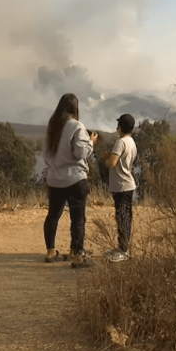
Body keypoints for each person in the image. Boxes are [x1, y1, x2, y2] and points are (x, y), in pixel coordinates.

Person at [42, 93, 98, 268]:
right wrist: (91, 142)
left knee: (53, 215)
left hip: (54, 179)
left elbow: (46, 154)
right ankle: (77, 255)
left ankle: (51, 252)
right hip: (75, 179)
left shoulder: (52, 126)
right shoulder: (77, 126)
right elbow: (80, 153)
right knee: (78, 218)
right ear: (75, 108)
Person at [103, 114, 137, 263]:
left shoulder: (120, 142)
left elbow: (112, 164)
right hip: (128, 184)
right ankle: (122, 247)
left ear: (121, 127)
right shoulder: (131, 142)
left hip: (121, 186)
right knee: (125, 216)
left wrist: (106, 158)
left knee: (122, 217)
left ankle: (124, 250)